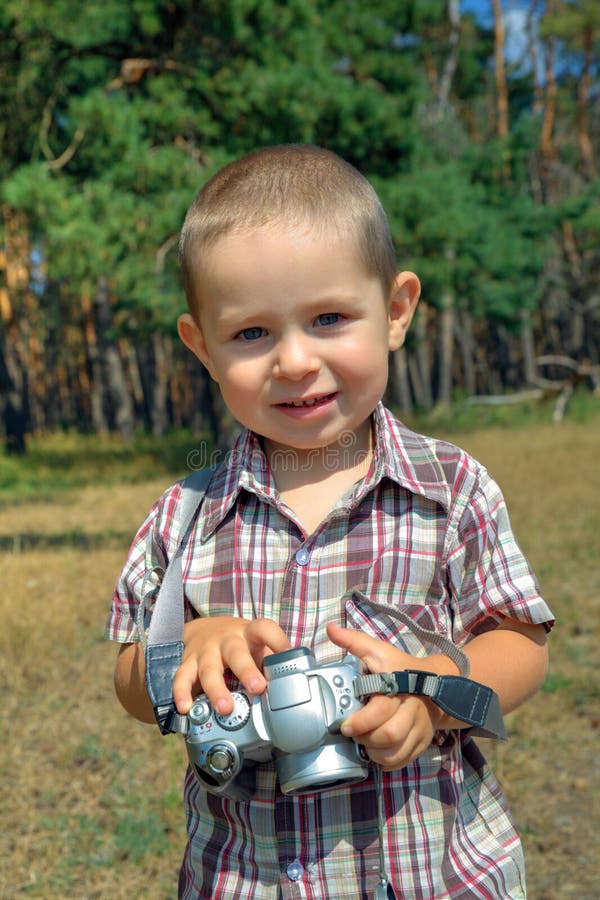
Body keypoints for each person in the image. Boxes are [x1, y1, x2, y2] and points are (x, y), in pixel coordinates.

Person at [106, 144, 553, 899]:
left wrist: (435, 691)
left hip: (433, 872)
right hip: (247, 876)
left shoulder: (451, 490)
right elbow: (128, 675)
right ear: (202, 348)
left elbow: (520, 638)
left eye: (329, 318)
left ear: (397, 311)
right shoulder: (184, 519)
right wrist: (187, 645)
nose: (294, 360)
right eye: (251, 333)